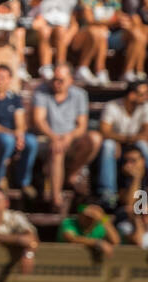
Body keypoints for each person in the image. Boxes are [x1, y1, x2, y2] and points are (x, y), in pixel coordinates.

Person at [31, 64, 100, 210]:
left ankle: (72, 174)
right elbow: (39, 120)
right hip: (46, 139)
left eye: (61, 80)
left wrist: (68, 136)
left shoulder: (80, 94)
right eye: (54, 79)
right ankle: (56, 199)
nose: (56, 83)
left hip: (71, 139)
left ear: (71, 80)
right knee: (57, 149)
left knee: (95, 138)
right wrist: (54, 137)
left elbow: (82, 126)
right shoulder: (41, 91)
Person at [0, 64, 38, 196]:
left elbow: (20, 122)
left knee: (31, 141)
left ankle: (23, 182)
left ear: (10, 80)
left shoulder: (14, 98)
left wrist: (20, 135)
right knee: (7, 141)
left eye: (2, 77)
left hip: (11, 135)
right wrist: (12, 134)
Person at [98, 80, 148, 203]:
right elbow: (104, 132)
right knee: (108, 145)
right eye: (144, 94)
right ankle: (108, 193)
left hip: (134, 145)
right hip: (117, 145)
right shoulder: (112, 106)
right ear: (131, 95)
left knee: (143, 146)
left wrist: (123, 139)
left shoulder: (147, 106)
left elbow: (146, 134)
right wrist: (120, 141)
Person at [31, 0, 78, 79]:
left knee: (60, 30)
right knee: (45, 30)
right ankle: (46, 68)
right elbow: (35, 21)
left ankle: (60, 66)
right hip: (44, 32)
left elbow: (74, 23)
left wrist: (68, 36)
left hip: (62, 33)